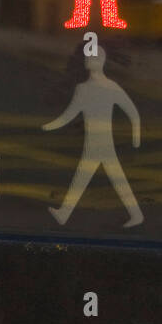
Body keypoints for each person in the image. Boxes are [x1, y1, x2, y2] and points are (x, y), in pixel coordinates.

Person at [43, 45, 143, 228]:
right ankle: (64, 214)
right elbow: (69, 115)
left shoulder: (111, 87)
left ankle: (65, 214)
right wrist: (50, 126)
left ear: (101, 61)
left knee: (103, 179)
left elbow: (133, 113)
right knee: (97, 179)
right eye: (88, 57)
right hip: (93, 145)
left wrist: (136, 138)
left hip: (102, 145)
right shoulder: (83, 89)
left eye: (94, 57)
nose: (89, 60)